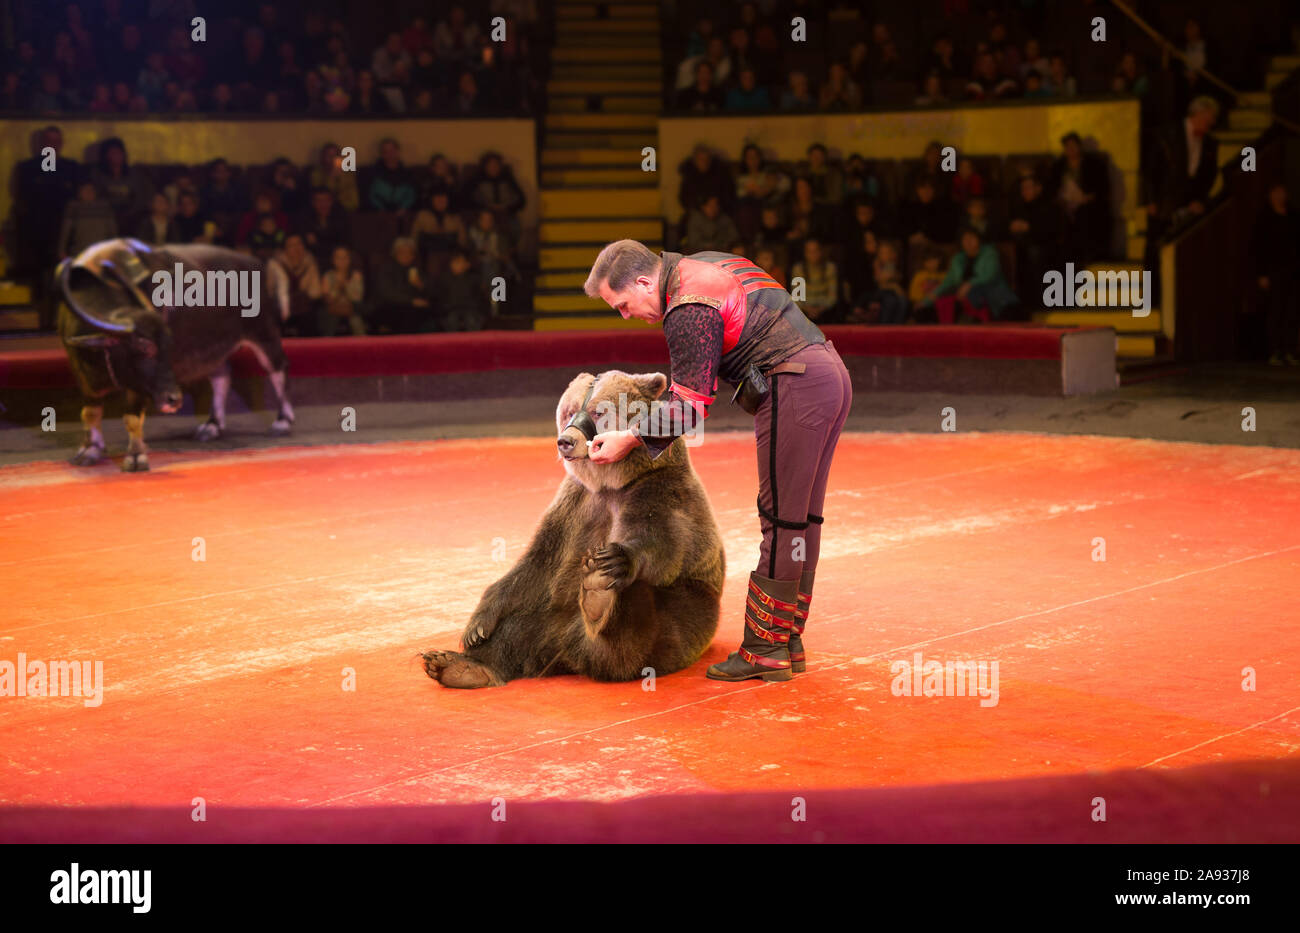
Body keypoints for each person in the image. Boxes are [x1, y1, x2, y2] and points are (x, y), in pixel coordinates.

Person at [583, 240, 853, 682]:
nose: (627, 316)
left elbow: (689, 406)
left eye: (624, 305)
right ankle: (786, 640)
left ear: (646, 281)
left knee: (782, 521)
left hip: (795, 384)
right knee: (803, 520)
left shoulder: (687, 303)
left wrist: (627, 439)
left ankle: (765, 649)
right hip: (829, 375)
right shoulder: (704, 264)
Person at [1142, 97, 1220, 303]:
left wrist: (1200, 200)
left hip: (1189, 206)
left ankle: (1178, 297)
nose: (1211, 123)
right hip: (1164, 202)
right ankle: (1151, 297)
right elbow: (1151, 171)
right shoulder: (1168, 134)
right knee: (1155, 251)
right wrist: (1151, 200)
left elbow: (1209, 176)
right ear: (1197, 114)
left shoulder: (1210, 143)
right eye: (1208, 118)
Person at [925, 227, 1019, 323]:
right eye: (965, 239)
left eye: (972, 238)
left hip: (990, 291)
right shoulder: (958, 259)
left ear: (979, 239)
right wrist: (931, 296)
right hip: (964, 295)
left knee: (975, 294)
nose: (968, 241)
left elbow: (990, 275)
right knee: (936, 303)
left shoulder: (989, 254)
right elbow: (949, 281)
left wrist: (970, 284)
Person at [1251, 183, 1300, 366]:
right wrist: (1262, 273)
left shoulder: (1293, 216)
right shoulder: (1265, 218)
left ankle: (1289, 350)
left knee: (1292, 312)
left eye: (1282, 192)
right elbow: (1258, 248)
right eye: (1276, 192)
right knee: (1276, 311)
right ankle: (1275, 350)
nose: (1280, 196)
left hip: (1293, 271)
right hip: (1274, 271)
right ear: (1270, 195)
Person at [320, 245, 367, 336]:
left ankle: (361, 346)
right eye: (338, 258)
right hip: (333, 310)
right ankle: (327, 346)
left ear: (349, 259)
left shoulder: (356, 275)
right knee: (328, 321)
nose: (342, 261)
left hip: (352, 309)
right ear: (333, 260)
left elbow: (358, 298)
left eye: (345, 257)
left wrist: (346, 286)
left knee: (356, 321)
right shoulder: (328, 276)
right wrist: (338, 288)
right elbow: (327, 299)